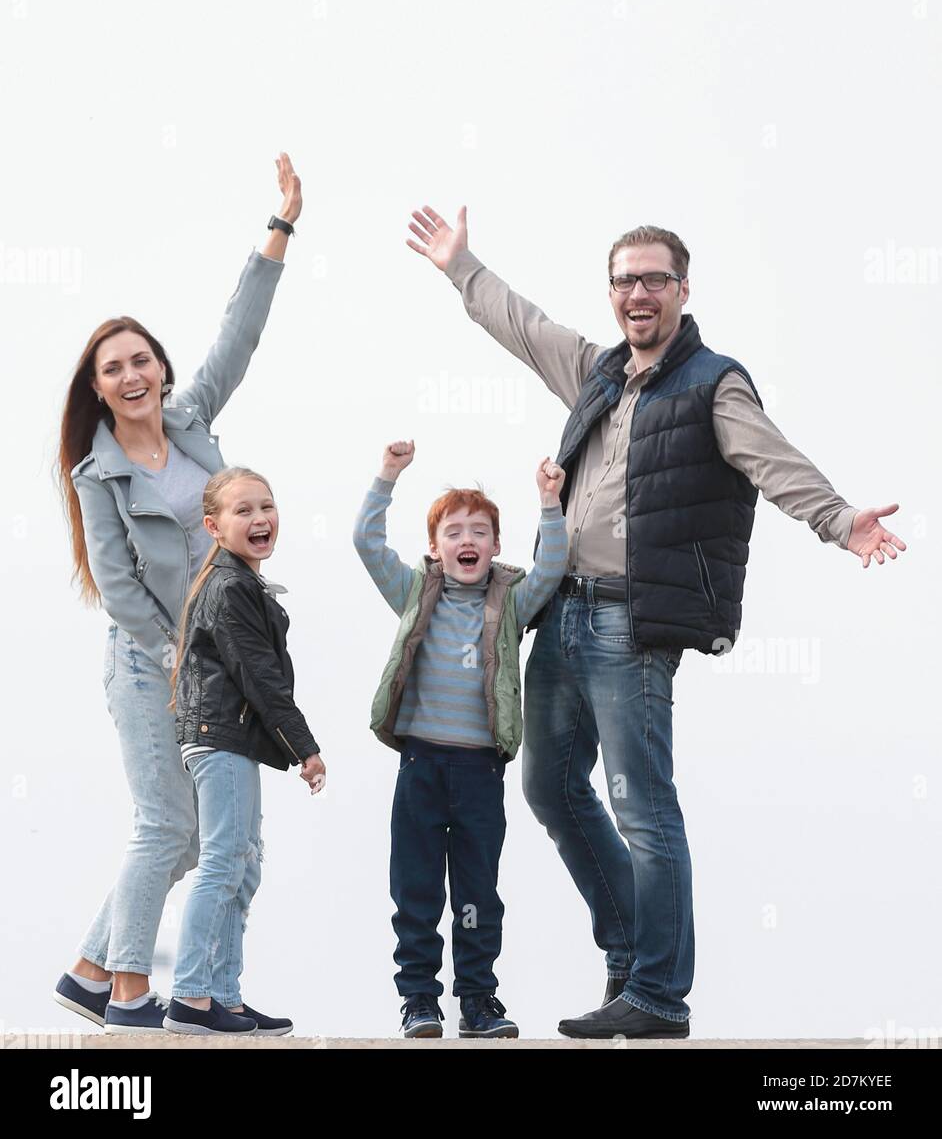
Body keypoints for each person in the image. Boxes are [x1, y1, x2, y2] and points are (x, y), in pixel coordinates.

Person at [406, 205, 906, 1040]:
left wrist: (839, 518)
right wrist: (463, 266)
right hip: (560, 616)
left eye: (654, 280)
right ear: (612, 293)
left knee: (642, 803)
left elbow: (771, 459)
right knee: (549, 786)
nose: (639, 293)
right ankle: (631, 952)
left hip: (632, 626)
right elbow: (523, 327)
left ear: (682, 289)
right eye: (625, 280)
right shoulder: (597, 372)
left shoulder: (712, 381)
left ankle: (660, 996)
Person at [53, 153, 304, 1035]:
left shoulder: (195, 424)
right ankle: (126, 992)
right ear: (98, 389)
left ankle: (88, 970)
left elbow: (238, 334)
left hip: (209, 661)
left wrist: (279, 232)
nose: (132, 376)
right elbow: (119, 589)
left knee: (197, 839)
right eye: (112, 368)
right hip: (148, 662)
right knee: (167, 825)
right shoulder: (99, 474)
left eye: (141, 360)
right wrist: (176, 661)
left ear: (159, 369)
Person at [353, 440, 568, 1038]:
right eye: (453, 531)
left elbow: (552, 568)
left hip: (479, 771)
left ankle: (477, 1000)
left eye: (479, 531)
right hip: (421, 765)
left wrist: (549, 502)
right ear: (435, 547)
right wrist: (387, 474)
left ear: (496, 547)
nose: (466, 539)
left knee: (477, 893)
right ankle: (419, 999)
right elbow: (367, 544)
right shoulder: (414, 595)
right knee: (416, 888)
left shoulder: (512, 602)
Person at [162, 467, 325, 1037]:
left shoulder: (243, 584)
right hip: (218, 740)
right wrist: (304, 748)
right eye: (243, 511)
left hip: (228, 740)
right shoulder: (230, 588)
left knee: (243, 866)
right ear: (214, 526)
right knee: (225, 862)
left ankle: (224, 997)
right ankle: (190, 997)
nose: (260, 519)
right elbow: (258, 677)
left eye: (267, 507)